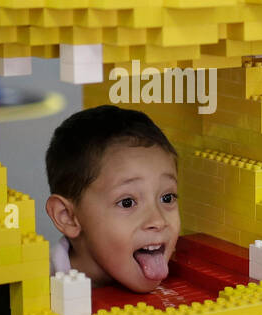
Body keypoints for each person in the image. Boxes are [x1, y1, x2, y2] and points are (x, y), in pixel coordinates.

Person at [44, 104, 180, 293]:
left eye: (167, 198)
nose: (157, 221)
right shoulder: (38, 292)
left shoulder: (181, 276)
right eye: (127, 202)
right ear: (67, 216)